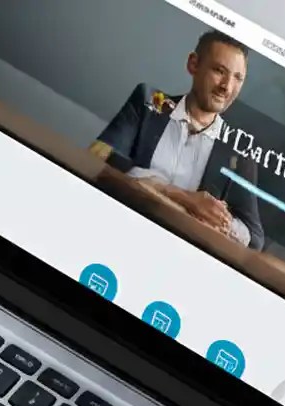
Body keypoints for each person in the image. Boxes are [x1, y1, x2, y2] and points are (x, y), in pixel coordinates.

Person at [89, 30, 265, 250]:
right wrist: (185, 198)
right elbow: (100, 154)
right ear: (193, 64)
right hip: (111, 228)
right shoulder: (148, 100)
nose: (227, 87)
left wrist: (220, 220)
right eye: (220, 71)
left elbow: (255, 238)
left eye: (238, 78)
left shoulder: (240, 153)